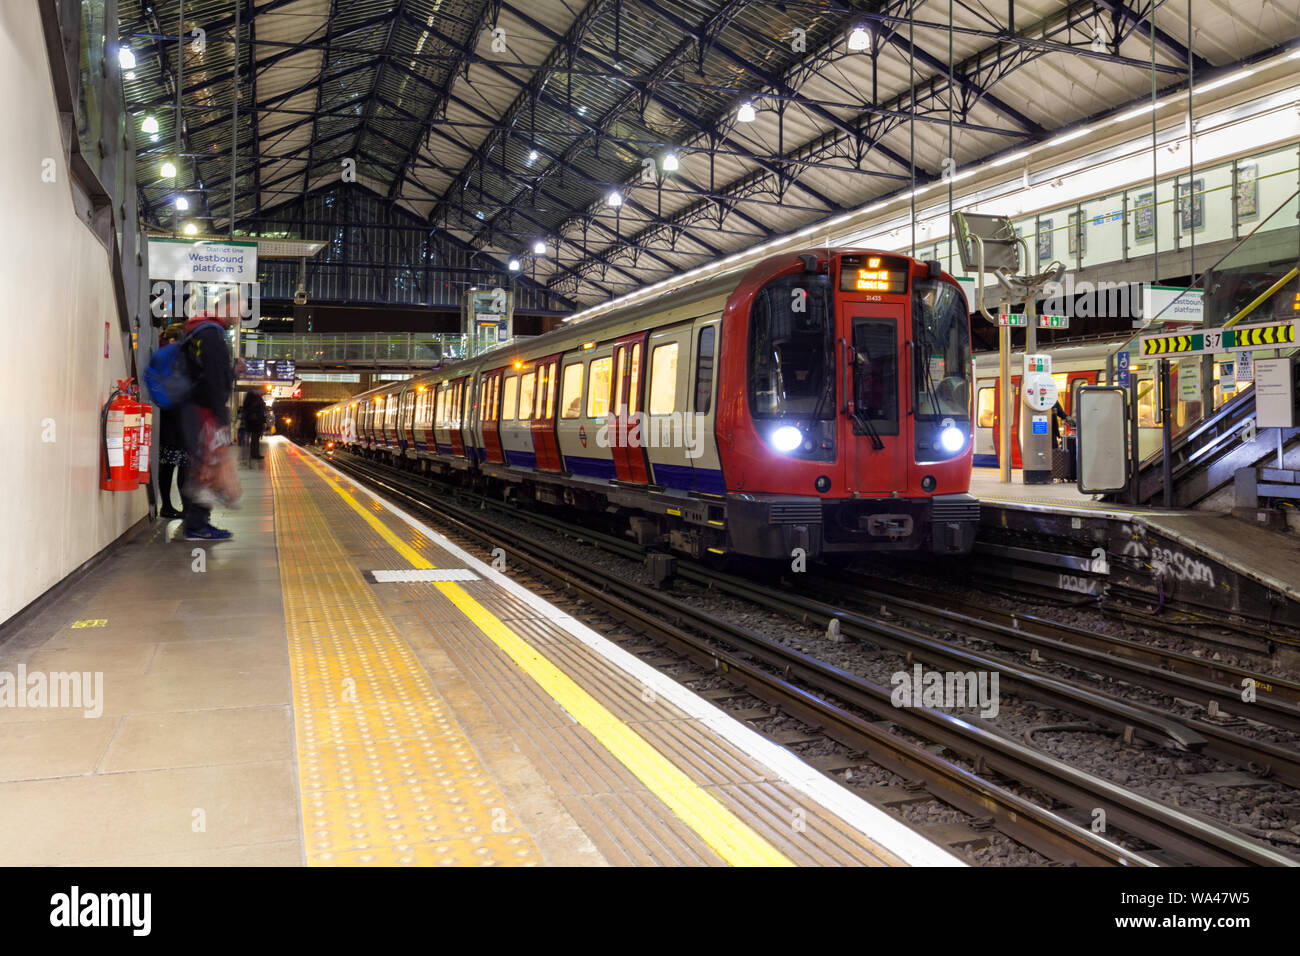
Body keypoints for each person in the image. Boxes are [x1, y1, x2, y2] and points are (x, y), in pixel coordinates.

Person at [180, 293, 239, 541]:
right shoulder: (212, 333)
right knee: (207, 466)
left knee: (203, 465)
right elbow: (213, 377)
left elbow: (204, 370)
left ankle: (196, 522)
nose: (239, 316)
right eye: (238, 309)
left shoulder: (199, 329)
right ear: (226, 307)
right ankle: (196, 525)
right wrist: (221, 415)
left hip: (194, 406)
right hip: (204, 409)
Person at [156, 324, 189, 519]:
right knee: (181, 465)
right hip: (176, 423)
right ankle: (178, 508)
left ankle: (169, 507)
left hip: (172, 423)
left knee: (171, 466)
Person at [242, 390, 268, 463]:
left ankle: (254, 454)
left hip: (256, 422)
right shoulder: (253, 396)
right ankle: (254, 454)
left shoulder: (255, 396)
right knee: (254, 439)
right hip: (254, 422)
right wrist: (254, 416)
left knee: (255, 439)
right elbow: (253, 408)